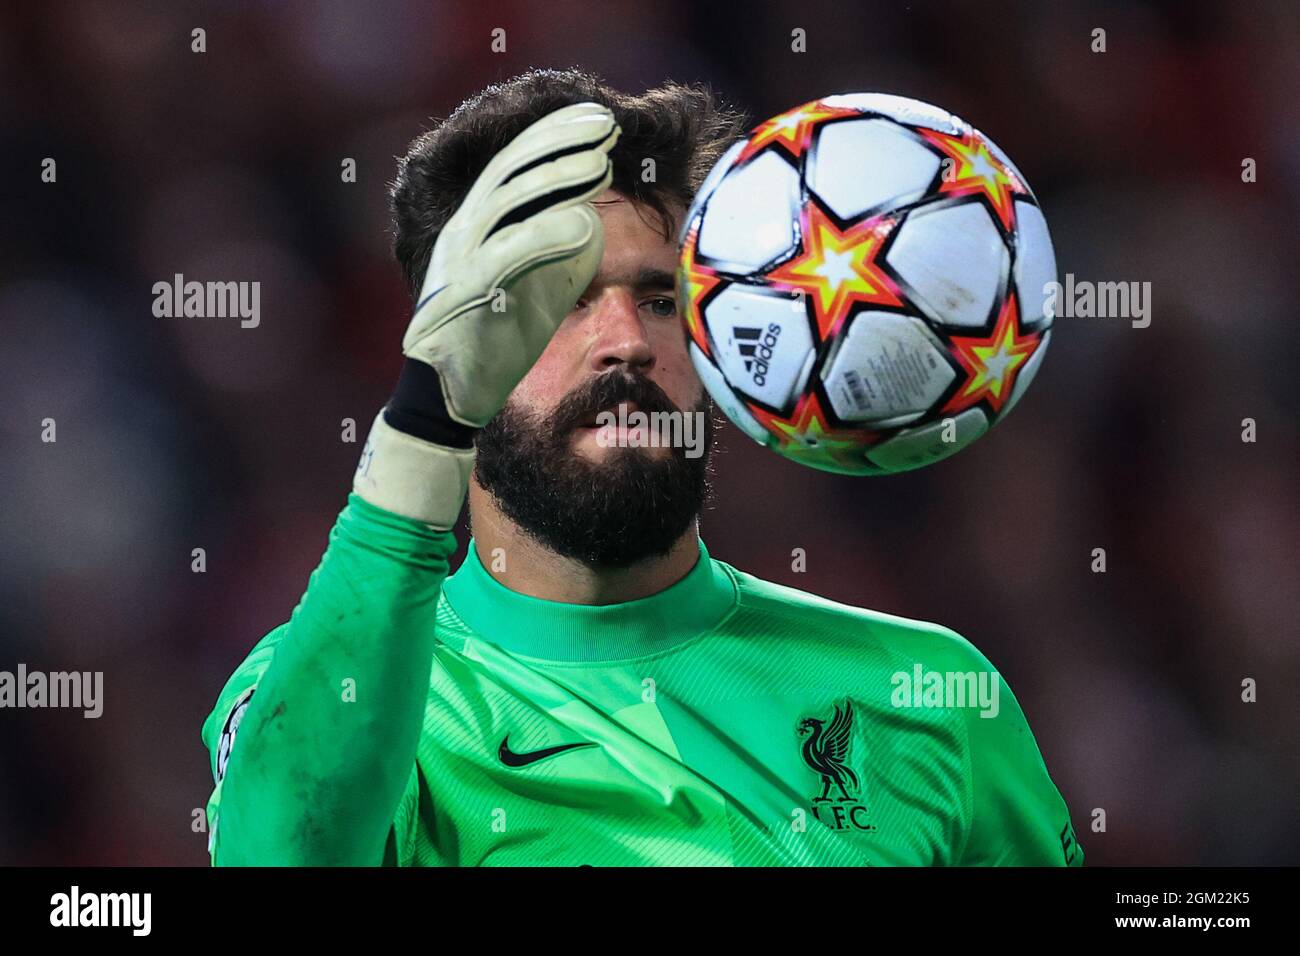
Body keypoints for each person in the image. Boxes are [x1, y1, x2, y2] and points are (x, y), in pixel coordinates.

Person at [201, 68, 1082, 866]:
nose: (624, 344)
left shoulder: (928, 698)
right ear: (453, 335)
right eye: (556, 299)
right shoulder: (338, 687)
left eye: (664, 300)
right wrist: (422, 427)